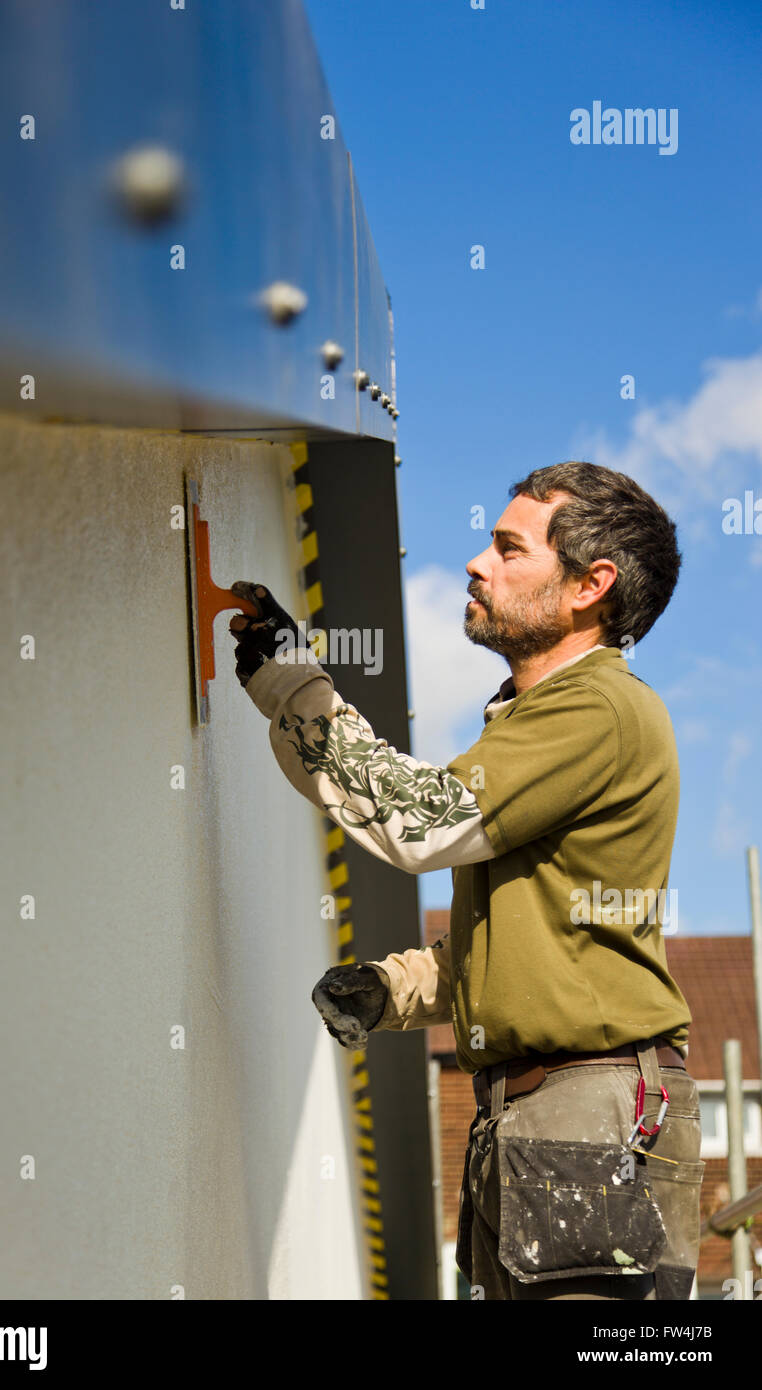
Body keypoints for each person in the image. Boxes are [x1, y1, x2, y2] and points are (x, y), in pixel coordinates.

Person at [228, 460, 703, 1301]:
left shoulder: (597, 707)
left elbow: (421, 819)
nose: (479, 564)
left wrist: (294, 681)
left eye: (509, 548)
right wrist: (394, 988)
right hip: (538, 1120)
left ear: (591, 585)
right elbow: (537, 943)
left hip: (586, 1113)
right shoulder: (541, 721)